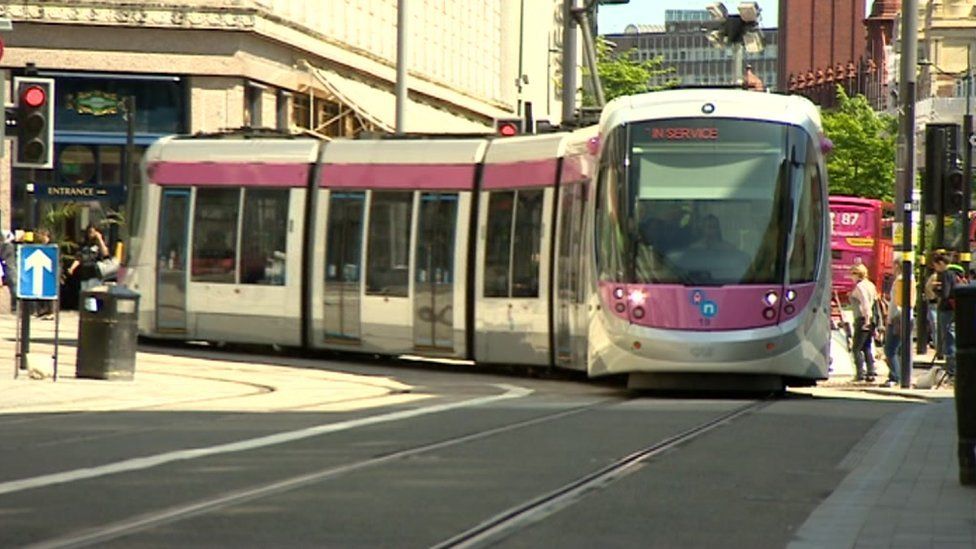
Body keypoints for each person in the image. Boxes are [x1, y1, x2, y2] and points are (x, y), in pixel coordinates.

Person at [848, 263, 879, 382]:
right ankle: (870, 372)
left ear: (857, 274)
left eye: (852, 274)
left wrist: (866, 319)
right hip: (870, 319)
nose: (851, 277)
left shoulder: (860, 286)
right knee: (866, 347)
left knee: (856, 348)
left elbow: (865, 303)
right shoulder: (871, 285)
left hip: (862, 318)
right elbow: (875, 302)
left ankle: (860, 373)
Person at [882, 271, 914, 387]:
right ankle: (901, 376)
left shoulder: (900, 280)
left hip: (898, 318)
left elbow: (897, 303)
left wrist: (891, 318)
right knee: (901, 349)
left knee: (890, 349)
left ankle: (895, 376)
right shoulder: (911, 278)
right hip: (904, 317)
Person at [932, 254, 959, 376]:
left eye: (935, 265)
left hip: (946, 310)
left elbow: (945, 293)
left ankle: (951, 370)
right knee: (950, 337)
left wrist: (936, 289)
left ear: (941, 263)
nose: (935, 268)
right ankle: (952, 369)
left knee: (948, 338)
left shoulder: (945, 275)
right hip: (952, 310)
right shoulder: (954, 273)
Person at [67, 224, 111, 293]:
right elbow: (79, 258)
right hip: (85, 275)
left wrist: (99, 239)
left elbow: (105, 254)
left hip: (95, 274)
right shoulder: (84, 246)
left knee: (92, 297)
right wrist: (72, 268)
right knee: (85, 295)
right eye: (89, 232)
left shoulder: (99, 245)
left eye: (92, 232)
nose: (90, 234)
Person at [0, 230, 18, 312]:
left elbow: (3, 255)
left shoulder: (8, 246)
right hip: (6, 269)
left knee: (14, 289)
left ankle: (16, 306)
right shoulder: (6, 245)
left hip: (9, 269)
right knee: (13, 288)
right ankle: (15, 306)